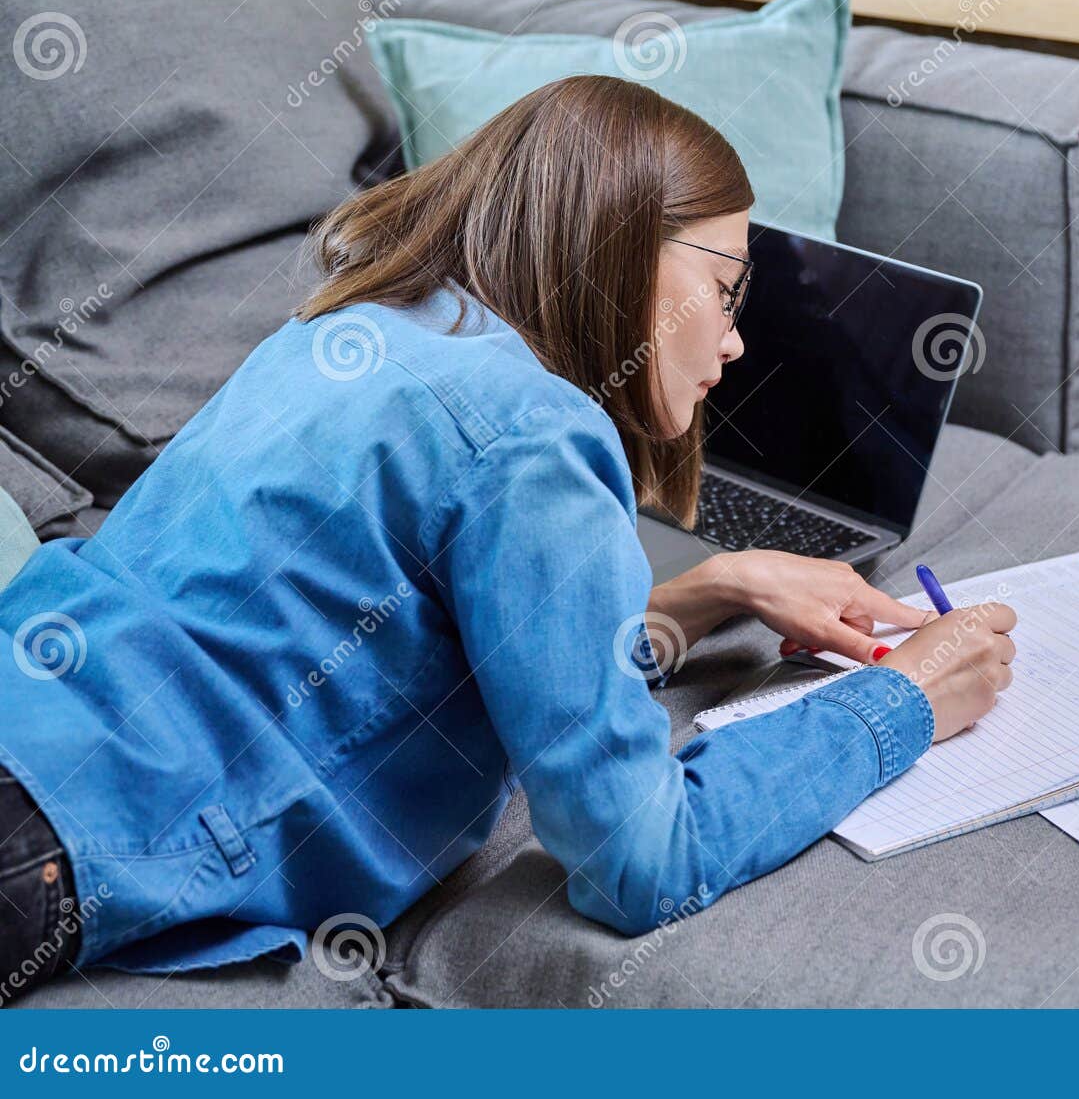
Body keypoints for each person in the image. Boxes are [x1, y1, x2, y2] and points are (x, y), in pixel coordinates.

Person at [0, 75, 1016, 1000]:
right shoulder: (533, 432)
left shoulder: (346, 331)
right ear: (621, 247)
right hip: (39, 832)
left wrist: (704, 592)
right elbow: (640, 860)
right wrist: (904, 698)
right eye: (727, 288)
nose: (737, 338)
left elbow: (420, 649)